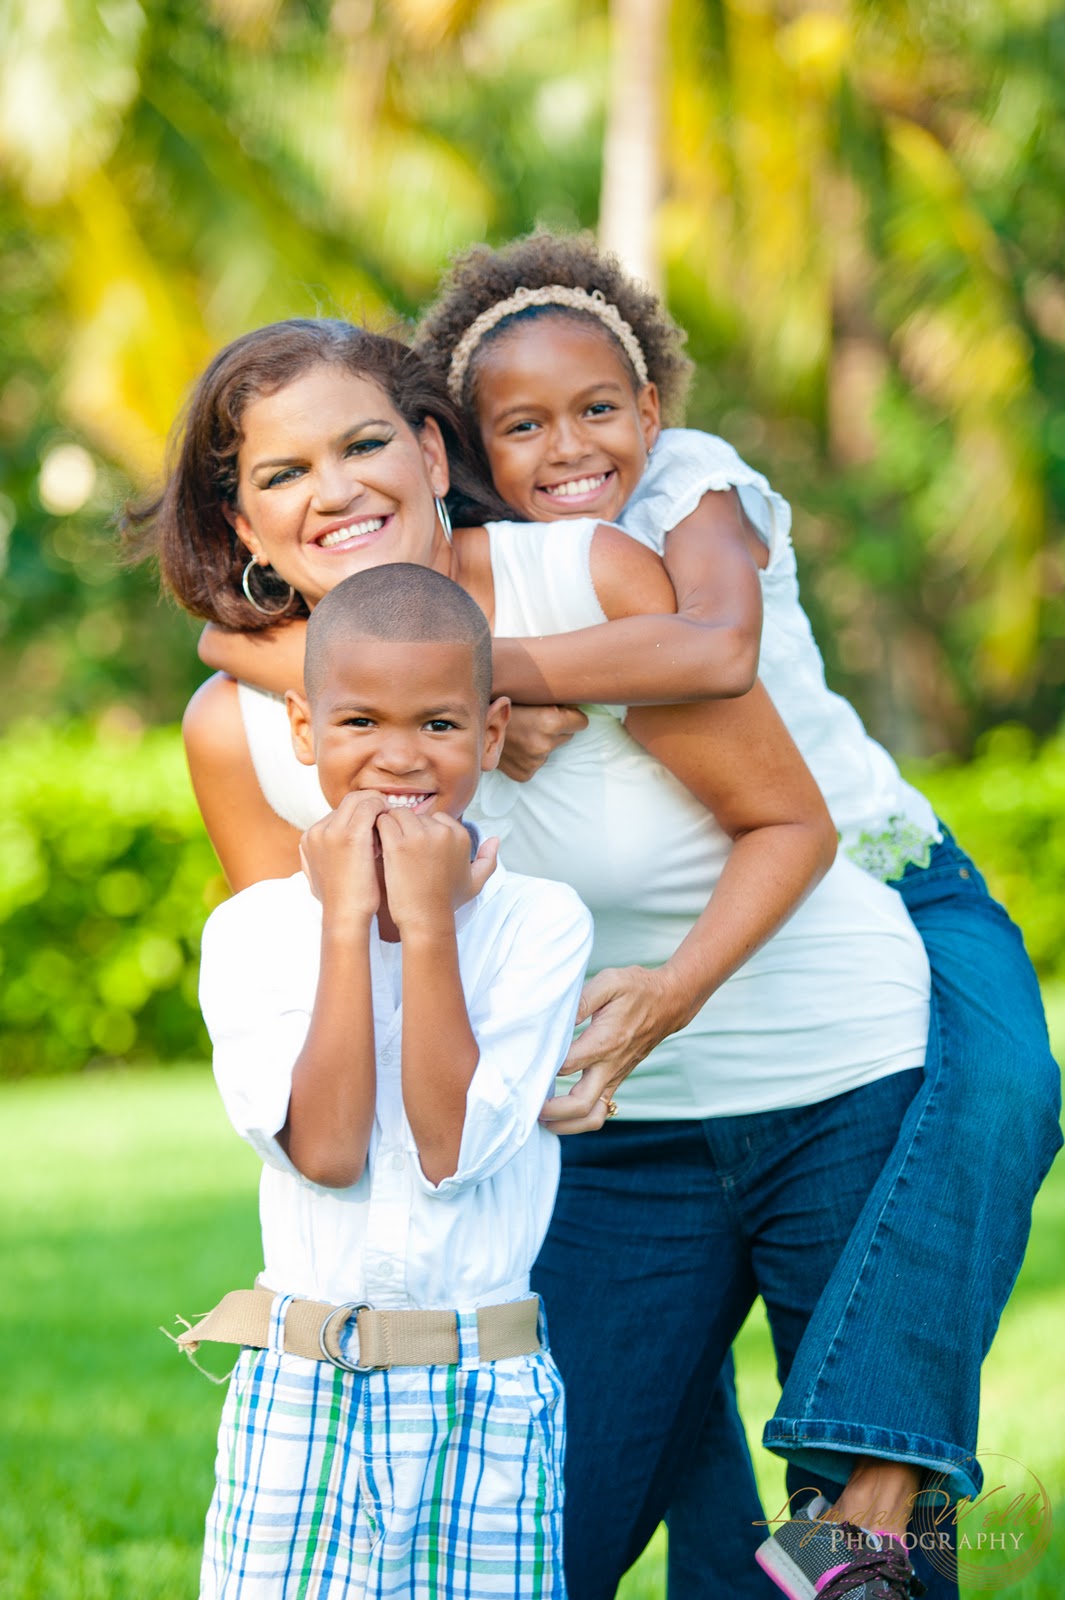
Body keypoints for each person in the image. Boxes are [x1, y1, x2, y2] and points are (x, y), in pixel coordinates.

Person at [139, 317, 941, 1600]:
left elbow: (790, 820)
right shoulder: (242, 728)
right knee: (564, 1533)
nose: (333, 490)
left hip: (816, 1056)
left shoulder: (585, 581)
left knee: (856, 1553)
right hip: (583, 1122)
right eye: (283, 474)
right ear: (242, 525)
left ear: (431, 450)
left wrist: (667, 994)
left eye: (362, 445)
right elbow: (330, 1025)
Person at [411, 230, 1063, 1598]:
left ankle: (869, 1491)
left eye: (600, 407)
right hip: (659, 1080)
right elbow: (258, 628)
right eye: (522, 426)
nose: (571, 444)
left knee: (1008, 1082)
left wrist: (473, 672)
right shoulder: (493, 559)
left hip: (888, 869)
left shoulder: (691, 482)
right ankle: (797, 1544)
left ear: (651, 406)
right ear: (470, 450)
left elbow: (712, 647)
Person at [182, 561, 595, 1598]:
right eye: (360, 721)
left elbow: (452, 1148)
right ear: (304, 728)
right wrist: (344, 919)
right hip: (300, 1392)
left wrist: (425, 924)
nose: (400, 755)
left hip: (484, 1394)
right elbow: (325, 1152)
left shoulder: (541, 924)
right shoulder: (253, 932)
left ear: (490, 734)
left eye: (439, 725)